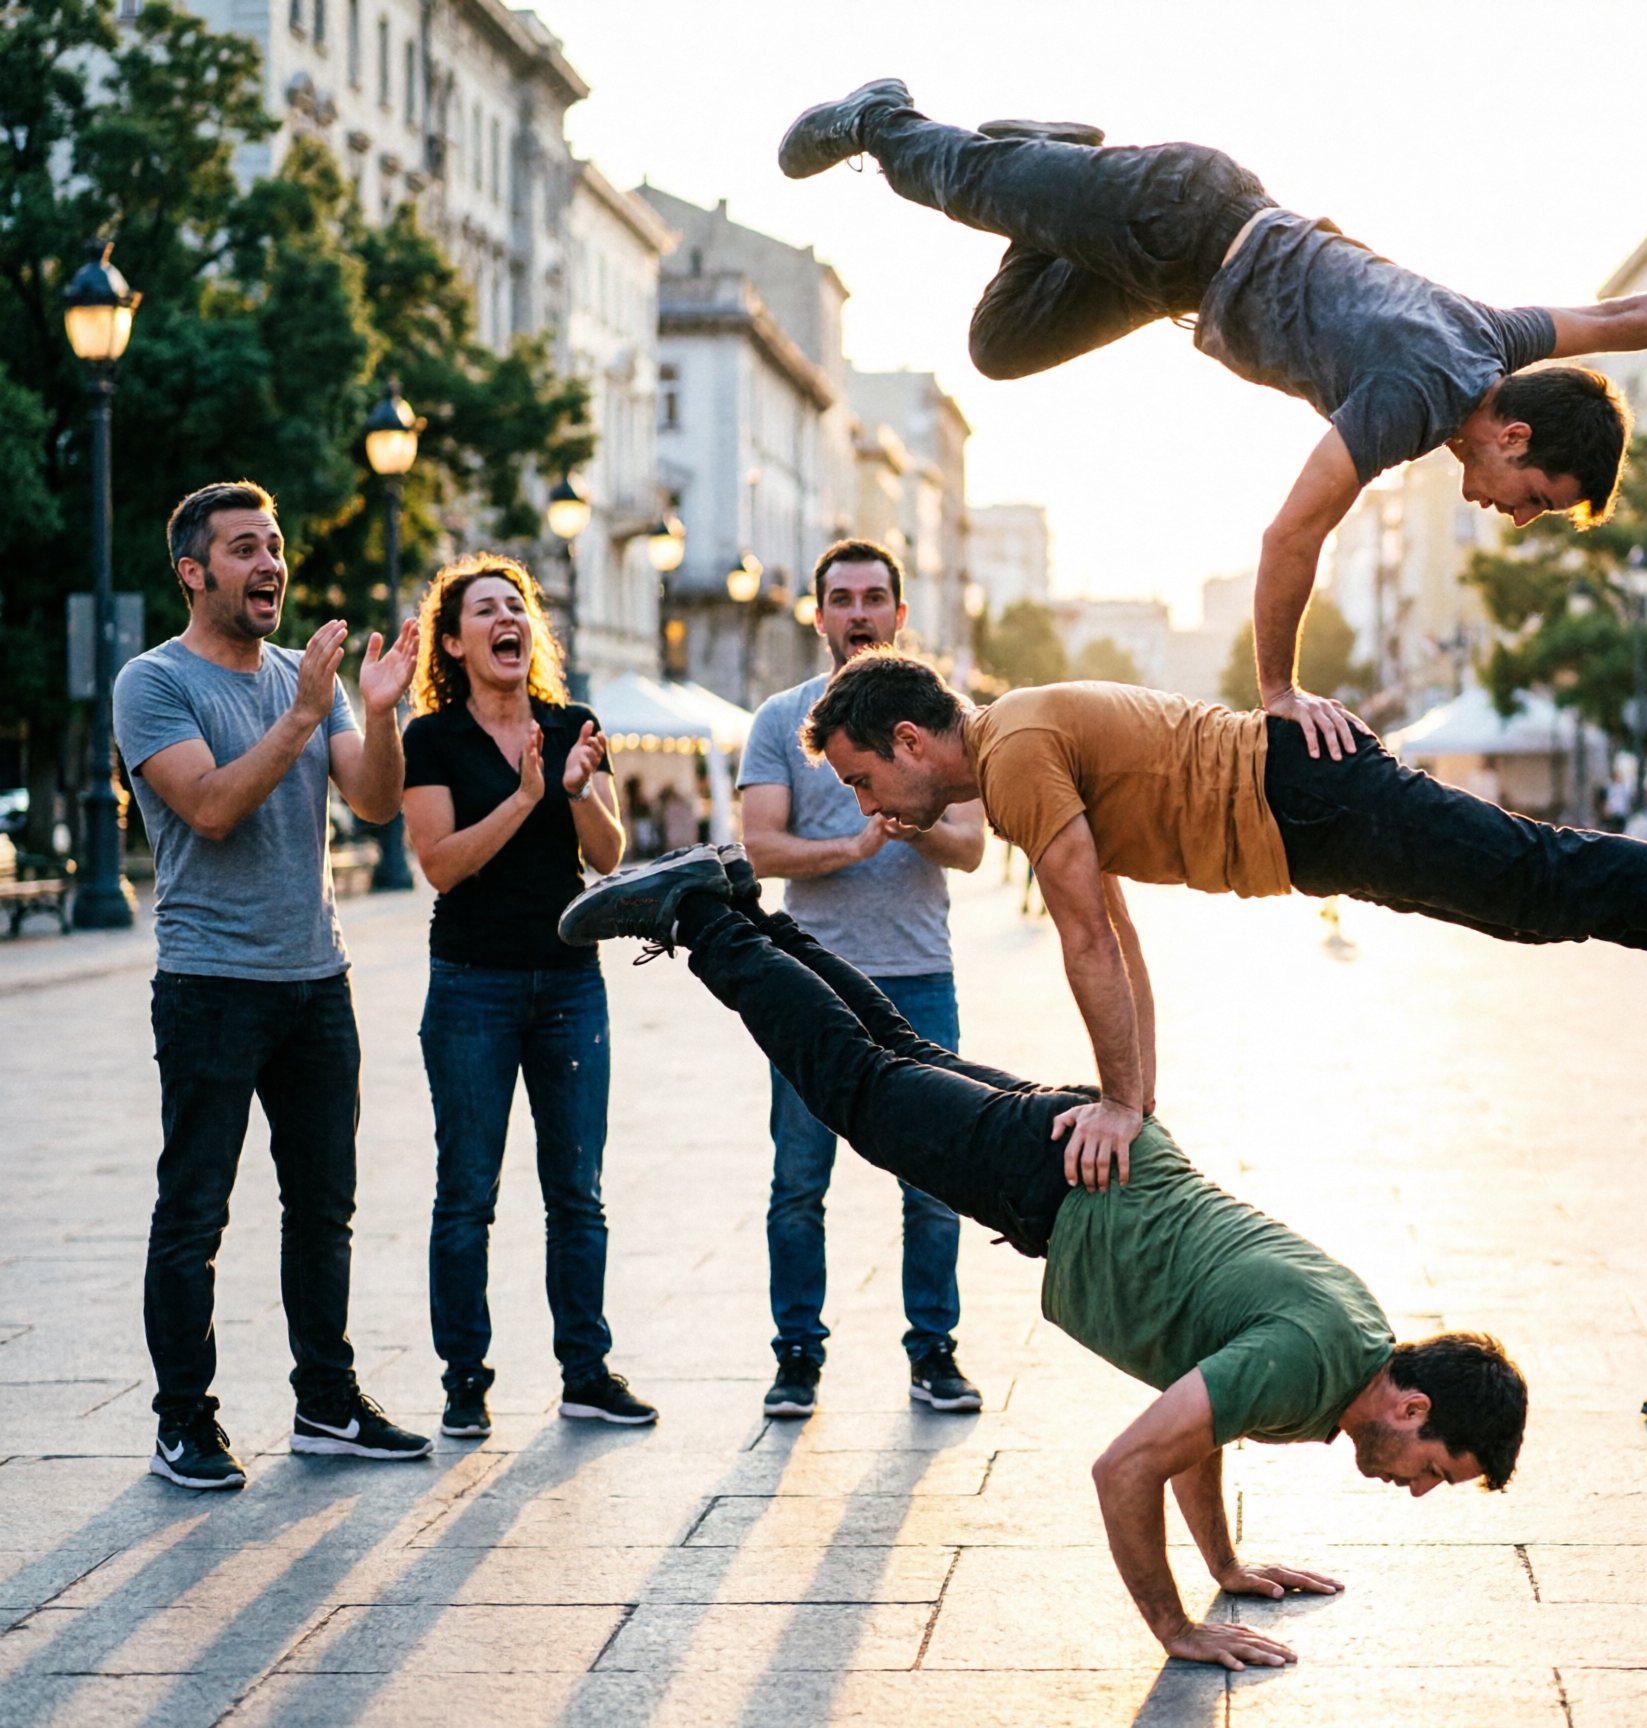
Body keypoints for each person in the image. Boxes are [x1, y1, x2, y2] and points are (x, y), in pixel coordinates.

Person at [556, 844, 1528, 1671]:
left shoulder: (1348, 1344)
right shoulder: (1308, 1365)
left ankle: (737, 900)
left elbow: (1196, 1425)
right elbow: (1127, 1469)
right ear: (1412, 1406)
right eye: (1438, 1468)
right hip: (1057, 1180)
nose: (1419, 1487)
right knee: (854, 1083)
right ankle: (698, 915)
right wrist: (1174, 1626)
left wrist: (1224, 1568)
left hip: (1089, 1160)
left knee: (889, 1050)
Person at [776, 80, 1647, 761]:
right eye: (1536, 501)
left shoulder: (1492, 340)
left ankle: (1051, 150)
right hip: (1175, 217)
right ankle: (880, 115)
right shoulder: (1422, 393)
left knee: (1000, 347)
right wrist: (1278, 688)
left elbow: (1611, 319)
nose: (1515, 518)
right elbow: (1289, 535)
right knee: (958, 178)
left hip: (1173, 273)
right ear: (1513, 438)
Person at [796, 650, 1647, 1185]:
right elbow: (1117, 935)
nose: (863, 806)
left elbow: (1086, 937)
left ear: (907, 741)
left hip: (1308, 798)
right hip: (1308, 821)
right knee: (1538, 899)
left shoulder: (1014, 755)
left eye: (857, 779)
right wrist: (1135, 1096)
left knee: (1549, 878)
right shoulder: (1017, 748)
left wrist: (1124, 1108)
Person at [114, 481, 431, 1490]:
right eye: (245, 548)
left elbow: (376, 803)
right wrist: (302, 715)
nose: (271, 565)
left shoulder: (311, 676)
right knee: (195, 1213)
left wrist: (378, 716)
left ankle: (326, 1404)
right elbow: (208, 807)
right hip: (211, 985)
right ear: (194, 573)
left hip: (314, 982)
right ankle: (183, 1422)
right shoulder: (152, 683)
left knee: (322, 1207)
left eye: (276, 546)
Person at [398, 553, 649, 1441]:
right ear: (458, 641)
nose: (507, 619)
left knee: (577, 1191)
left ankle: (586, 1372)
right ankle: (465, 1379)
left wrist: (576, 792)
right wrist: (526, 796)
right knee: (467, 1192)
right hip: (472, 986)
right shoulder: (430, 739)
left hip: (571, 985)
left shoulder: (573, 723)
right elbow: (441, 866)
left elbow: (611, 855)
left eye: (518, 607)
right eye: (486, 610)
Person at [737, 540, 988, 1420]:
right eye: (840, 599)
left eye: (874, 597)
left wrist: (910, 823)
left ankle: (935, 1353)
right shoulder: (782, 719)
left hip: (920, 977)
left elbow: (973, 844)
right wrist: (850, 845)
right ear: (818, 616)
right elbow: (759, 847)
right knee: (799, 1182)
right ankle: (797, 1357)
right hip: (812, 984)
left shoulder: (943, 714)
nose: (857, 613)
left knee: (935, 1180)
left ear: (899, 615)